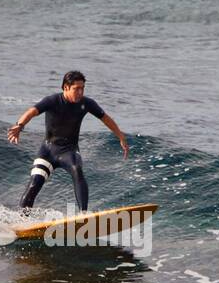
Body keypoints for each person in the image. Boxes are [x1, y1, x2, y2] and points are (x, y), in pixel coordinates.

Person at [7, 70, 129, 213]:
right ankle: (22, 218)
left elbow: (105, 118)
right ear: (65, 87)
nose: (80, 92)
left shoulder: (87, 103)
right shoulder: (52, 101)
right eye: (76, 89)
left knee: (77, 170)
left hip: (69, 151)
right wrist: (20, 126)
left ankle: (83, 214)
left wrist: (120, 136)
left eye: (82, 88)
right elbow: (31, 112)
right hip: (48, 151)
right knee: (35, 183)